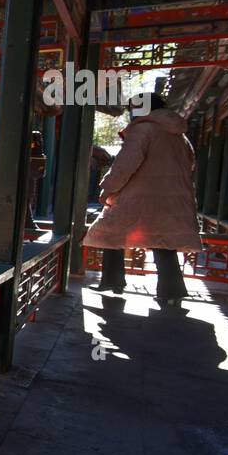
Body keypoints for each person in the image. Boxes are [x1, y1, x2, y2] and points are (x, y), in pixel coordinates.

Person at [83, 93, 201, 305]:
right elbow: (190, 163)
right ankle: (172, 293)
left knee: (110, 233)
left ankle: (112, 280)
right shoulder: (178, 135)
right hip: (174, 198)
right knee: (164, 242)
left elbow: (125, 165)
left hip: (140, 197)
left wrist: (107, 189)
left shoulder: (143, 130)